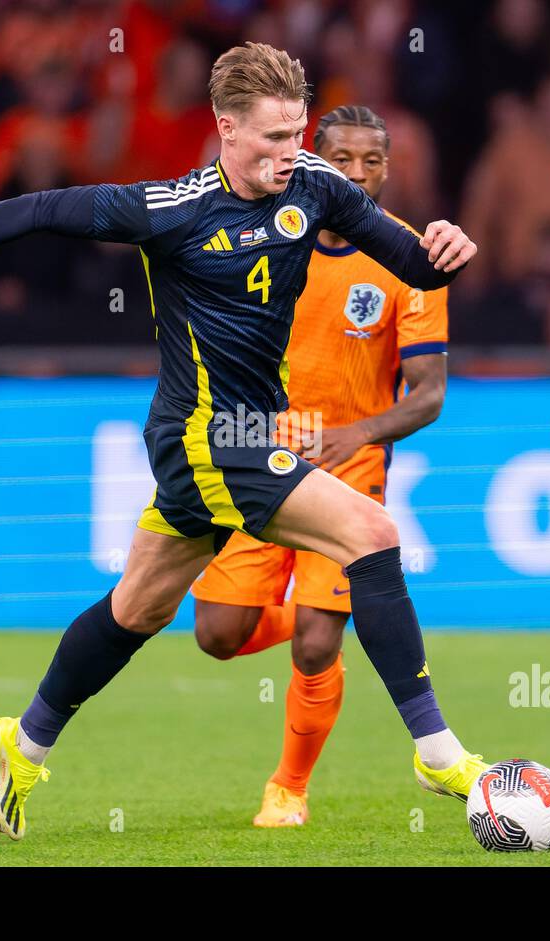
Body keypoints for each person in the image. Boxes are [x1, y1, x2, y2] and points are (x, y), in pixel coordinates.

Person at [0, 42, 480, 843]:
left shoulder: (317, 189)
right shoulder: (169, 210)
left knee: (137, 608)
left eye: (297, 134)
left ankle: (25, 740)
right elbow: (36, 211)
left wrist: (445, 251)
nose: (292, 154)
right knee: (374, 534)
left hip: (242, 435)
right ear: (225, 128)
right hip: (207, 439)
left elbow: (418, 270)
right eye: (273, 139)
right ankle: (436, 748)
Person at [189, 104, 450, 827]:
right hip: (259, 457)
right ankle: (312, 609)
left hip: (351, 468)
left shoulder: (409, 258)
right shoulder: (268, 235)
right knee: (218, 633)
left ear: (388, 168)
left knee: (315, 642)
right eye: (342, 159)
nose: (358, 173)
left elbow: (427, 396)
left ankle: (288, 788)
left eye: (372, 160)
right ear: (313, 159)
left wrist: (352, 435)